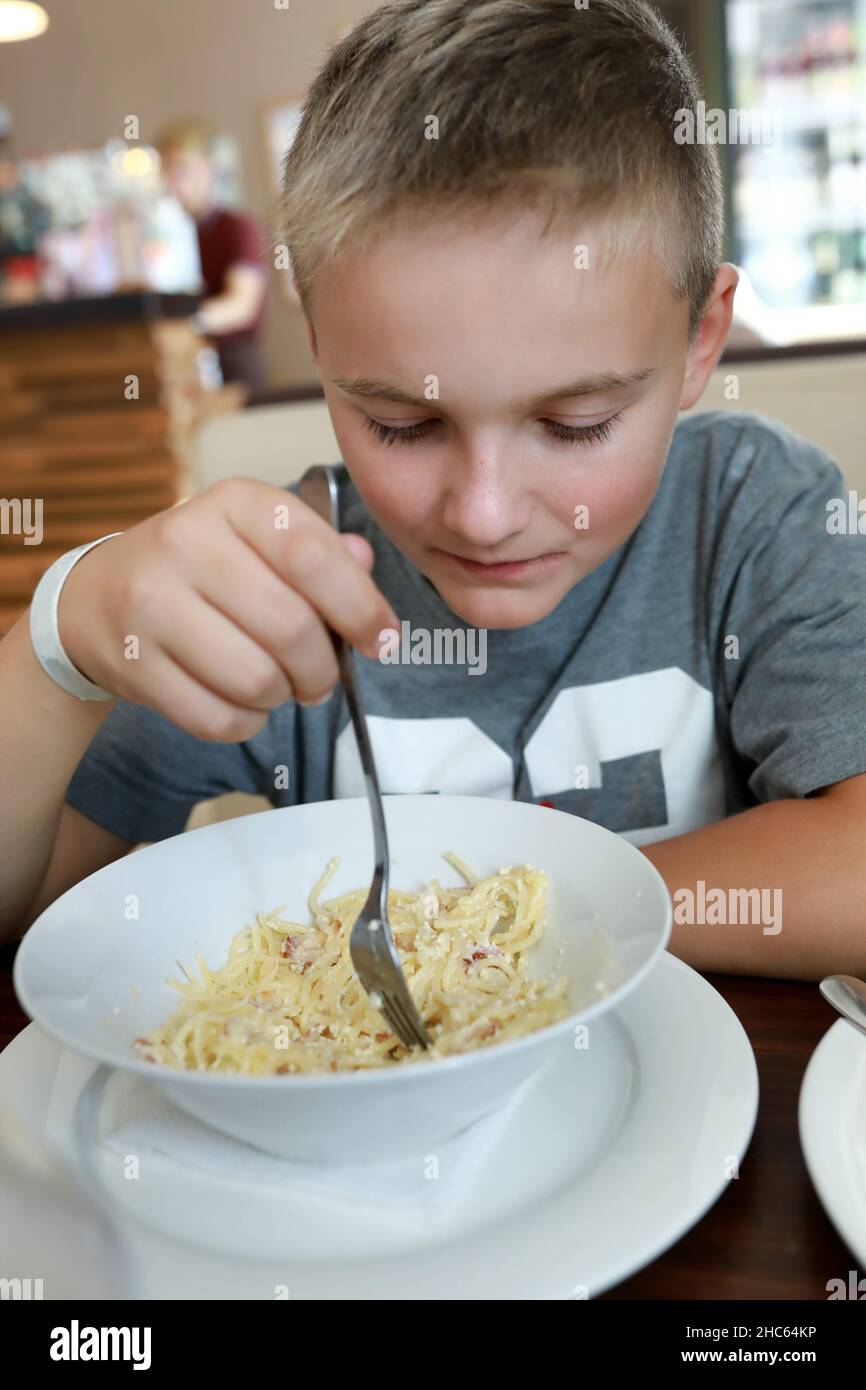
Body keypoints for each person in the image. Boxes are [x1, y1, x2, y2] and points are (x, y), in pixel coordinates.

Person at [2, 0, 866, 983]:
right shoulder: (288, 575)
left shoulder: (751, 513)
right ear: (321, 347)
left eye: (575, 423)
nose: (484, 513)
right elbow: (29, 902)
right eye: (402, 426)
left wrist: (510, 908)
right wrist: (60, 643)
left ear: (697, 343)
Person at [155, 117, 268, 391]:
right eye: (168, 170)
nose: (175, 182)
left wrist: (185, 324)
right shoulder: (168, 235)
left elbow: (241, 305)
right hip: (182, 369)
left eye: (183, 168)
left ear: (209, 168)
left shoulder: (237, 227)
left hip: (234, 366)